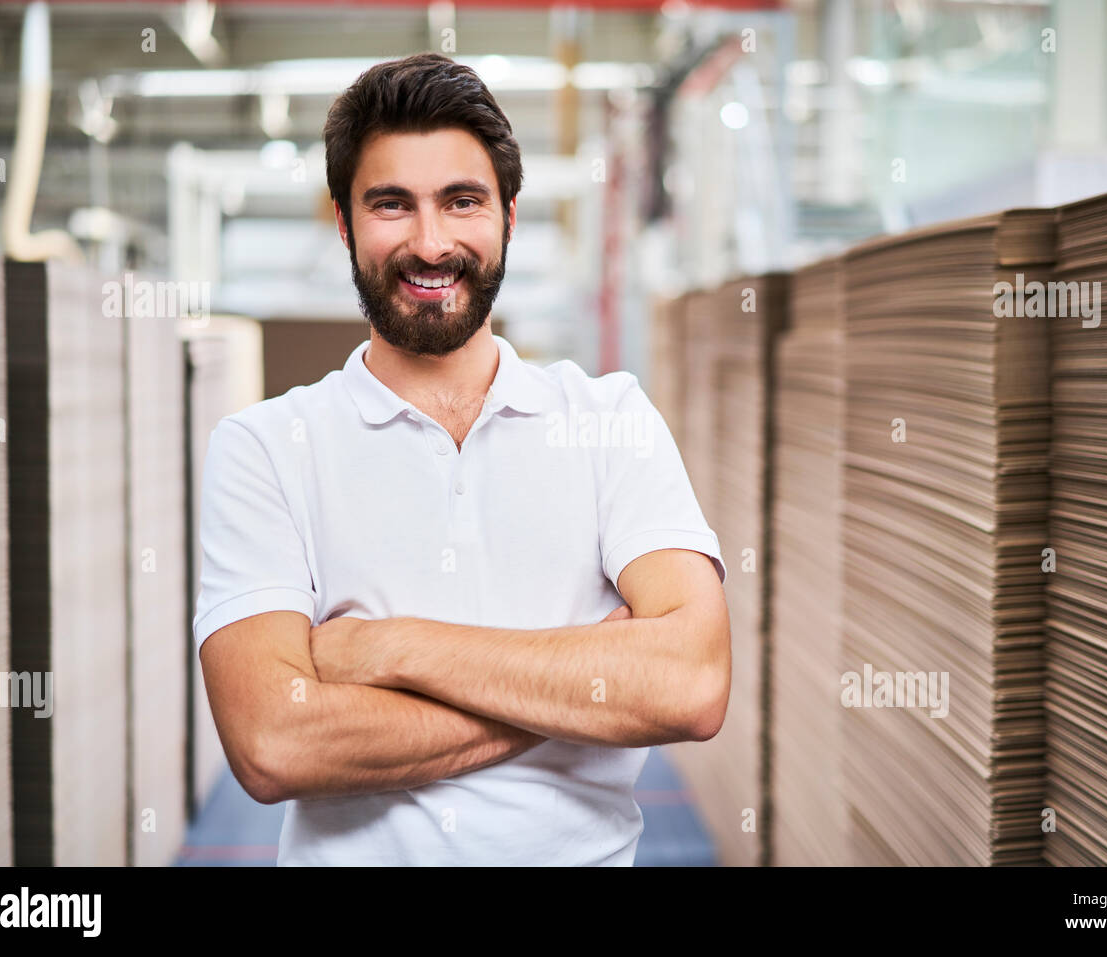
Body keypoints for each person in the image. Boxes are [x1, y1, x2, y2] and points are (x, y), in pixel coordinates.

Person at [193, 52, 730, 866]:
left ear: (508, 216)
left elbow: (690, 682)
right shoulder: (264, 449)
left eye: (462, 201)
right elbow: (274, 741)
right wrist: (584, 687)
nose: (431, 242)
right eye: (391, 205)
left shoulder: (609, 419)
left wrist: (388, 648)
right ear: (343, 223)